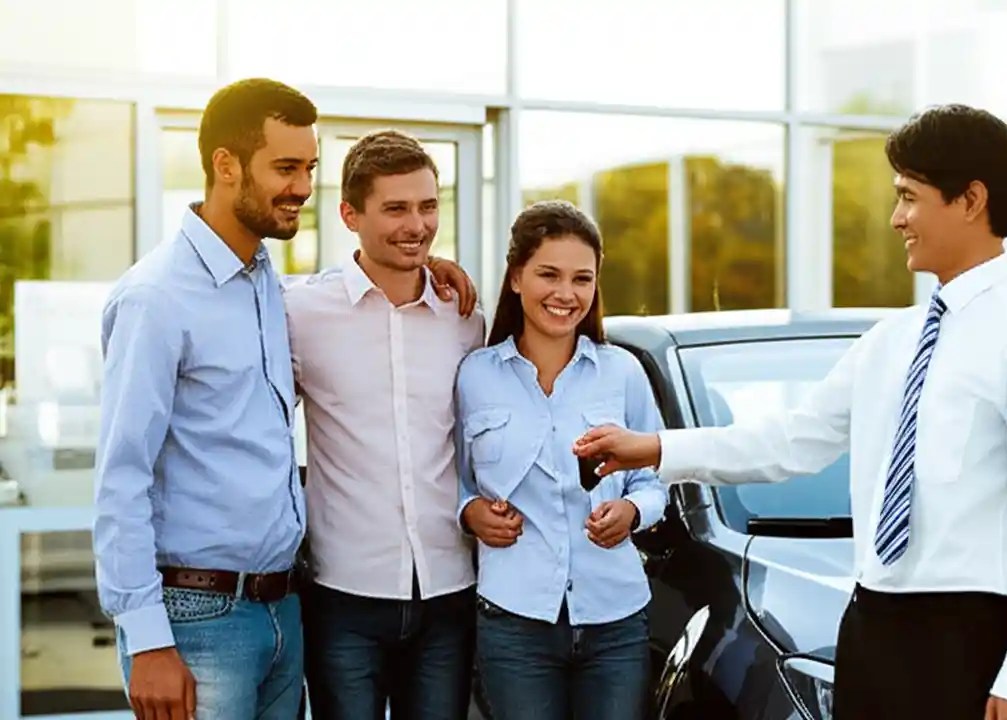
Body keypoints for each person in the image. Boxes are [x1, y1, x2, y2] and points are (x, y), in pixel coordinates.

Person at [574, 104, 1007, 720]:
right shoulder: (889, 342)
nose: (895, 217)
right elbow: (793, 440)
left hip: (970, 640)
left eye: (909, 196)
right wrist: (658, 450)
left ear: (971, 200)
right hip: (872, 629)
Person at [92, 78, 475, 720]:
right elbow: (121, 477)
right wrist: (146, 635)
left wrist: (423, 265)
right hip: (197, 618)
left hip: (282, 610)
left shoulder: (267, 284)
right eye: (286, 168)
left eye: (309, 167)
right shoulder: (156, 298)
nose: (302, 186)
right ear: (225, 165)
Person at [284, 129, 483, 719]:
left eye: (427, 207)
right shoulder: (299, 312)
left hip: (449, 592)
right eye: (395, 208)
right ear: (350, 214)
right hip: (343, 595)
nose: (416, 225)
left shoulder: (465, 315)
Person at [455, 200, 667, 720]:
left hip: (615, 617)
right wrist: (469, 513)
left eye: (582, 279)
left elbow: (656, 479)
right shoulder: (474, 376)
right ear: (515, 279)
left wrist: (633, 512)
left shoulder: (623, 374)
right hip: (514, 619)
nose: (565, 294)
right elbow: (454, 481)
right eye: (548, 274)